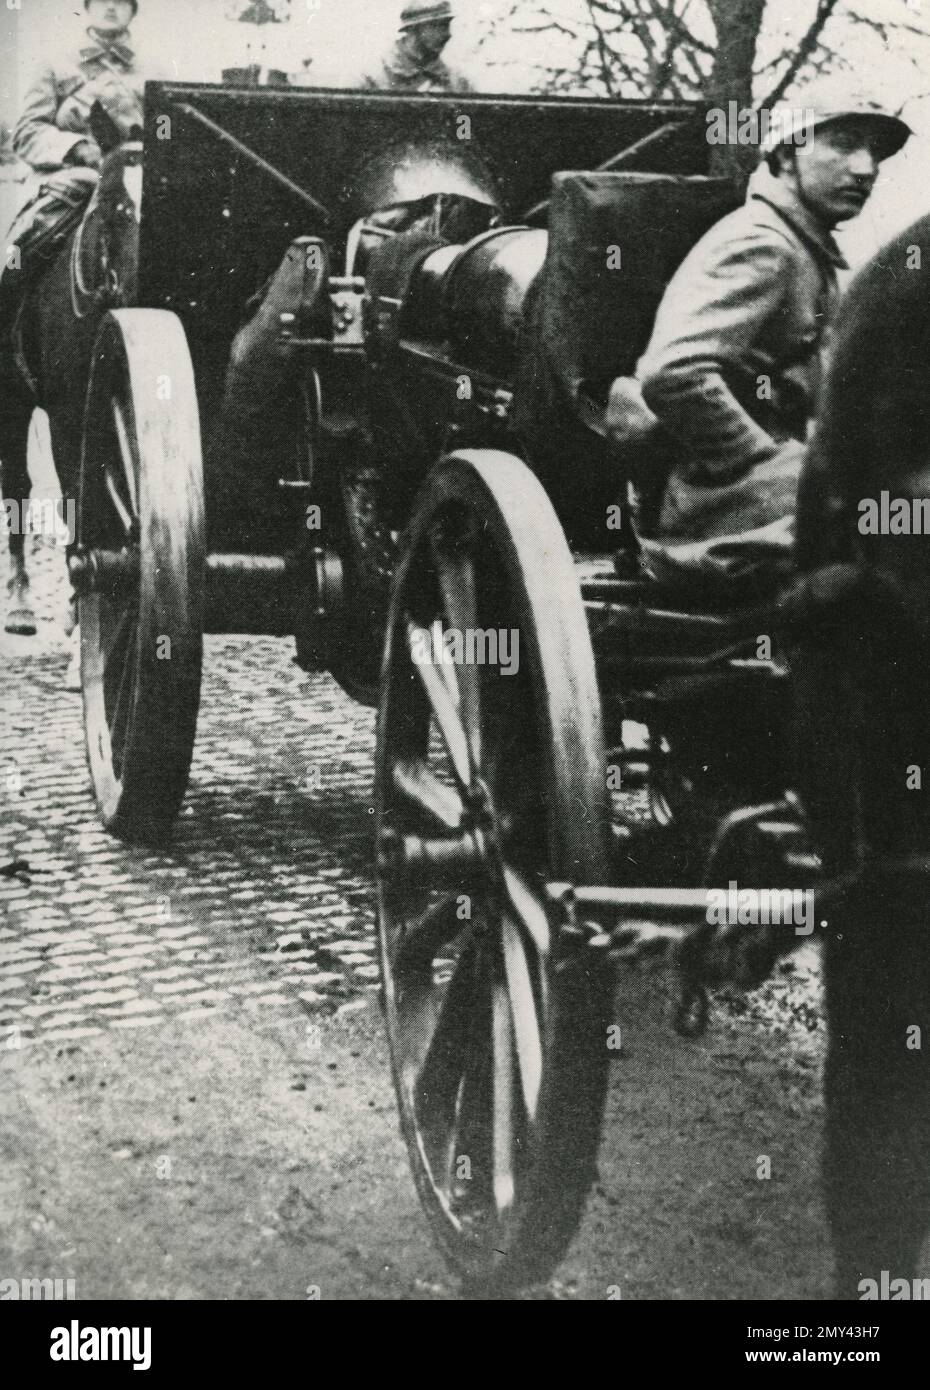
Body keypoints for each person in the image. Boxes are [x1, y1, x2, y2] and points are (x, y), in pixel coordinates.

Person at [619, 82, 910, 595]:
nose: (865, 169)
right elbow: (674, 374)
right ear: (785, 152)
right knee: (899, 527)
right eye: (843, 145)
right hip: (718, 503)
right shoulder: (763, 242)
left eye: (874, 153)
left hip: (756, 491)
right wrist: (759, 458)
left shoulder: (801, 247)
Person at [1, 0, 148, 673]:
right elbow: (24, 133)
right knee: (15, 261)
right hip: (69, 187)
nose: (114, 11)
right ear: (88, 9)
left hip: (134, 192)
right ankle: (16, 573)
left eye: (125, 1)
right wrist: (78, 148)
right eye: (103, 0)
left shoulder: (152, 70)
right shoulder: (55, 63)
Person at [357, 1, 475, 94]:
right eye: (436, 26)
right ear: (413, 29)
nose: (447, 34)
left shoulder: (458, 82)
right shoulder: (372, 79)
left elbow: (466, 123)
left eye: (446, 26)